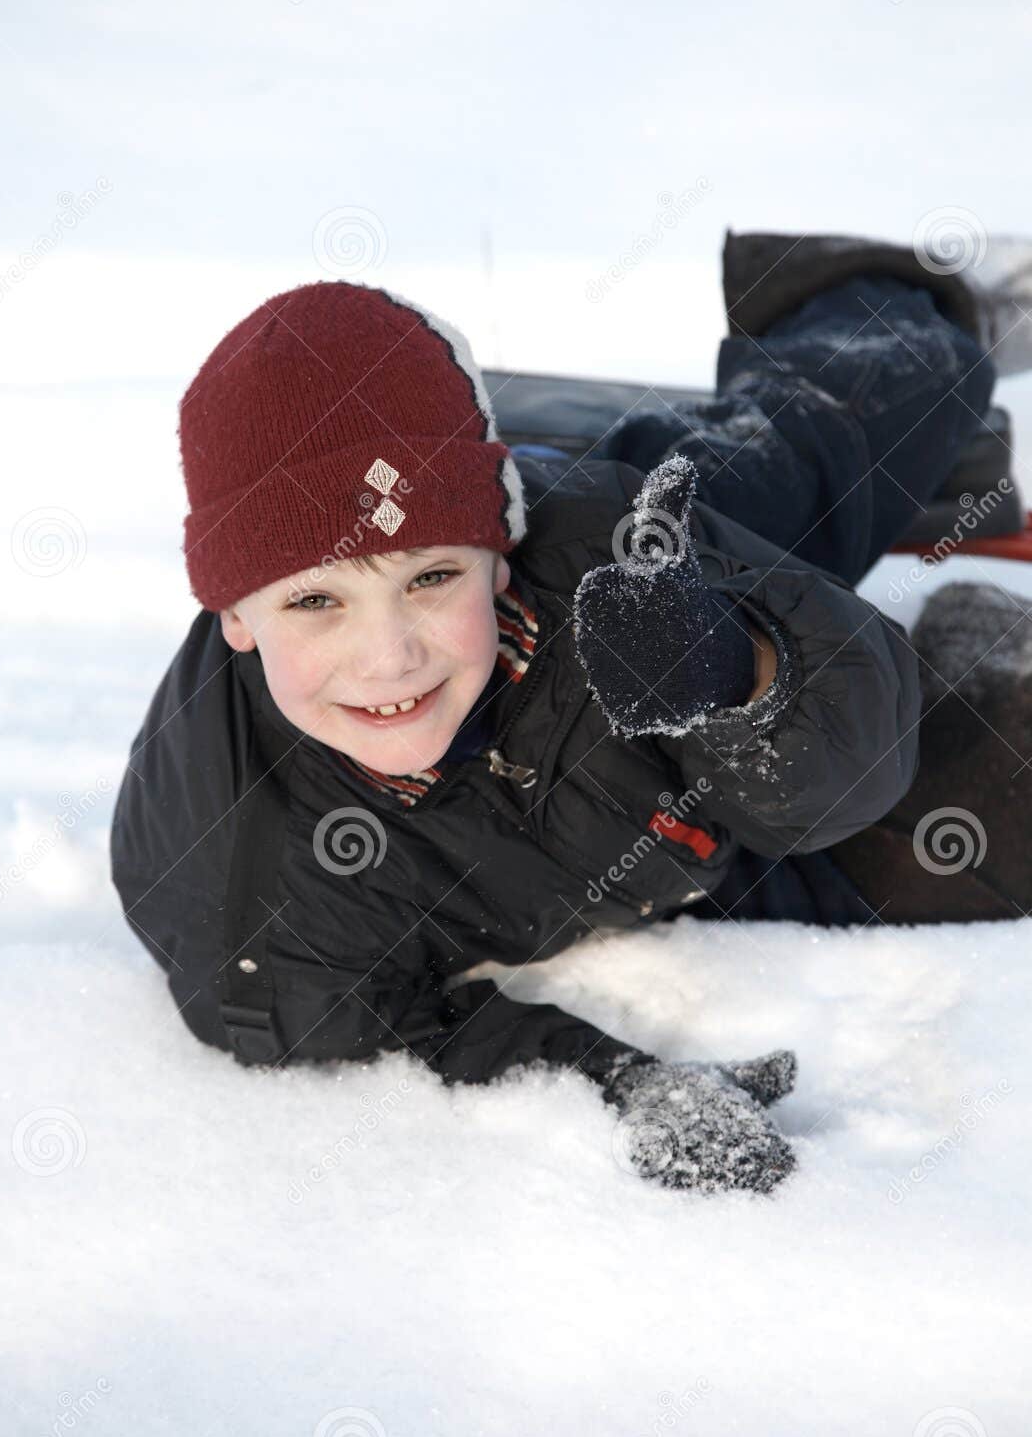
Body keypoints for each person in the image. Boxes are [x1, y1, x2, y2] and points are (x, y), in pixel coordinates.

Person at [108, 229, 1032, 1198]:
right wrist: (615, 1078)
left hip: (694, 760)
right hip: (676, 862)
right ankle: (977, 647)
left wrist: (732, 664)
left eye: (430, 577)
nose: (387, 657)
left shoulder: (613, 545)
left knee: (859, 420)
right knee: (996, 834)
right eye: (314, 602)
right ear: (235, 621)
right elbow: (404, 1028)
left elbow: (846, 757)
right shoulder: (247, 905)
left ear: (495, 555)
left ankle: (920, 301)